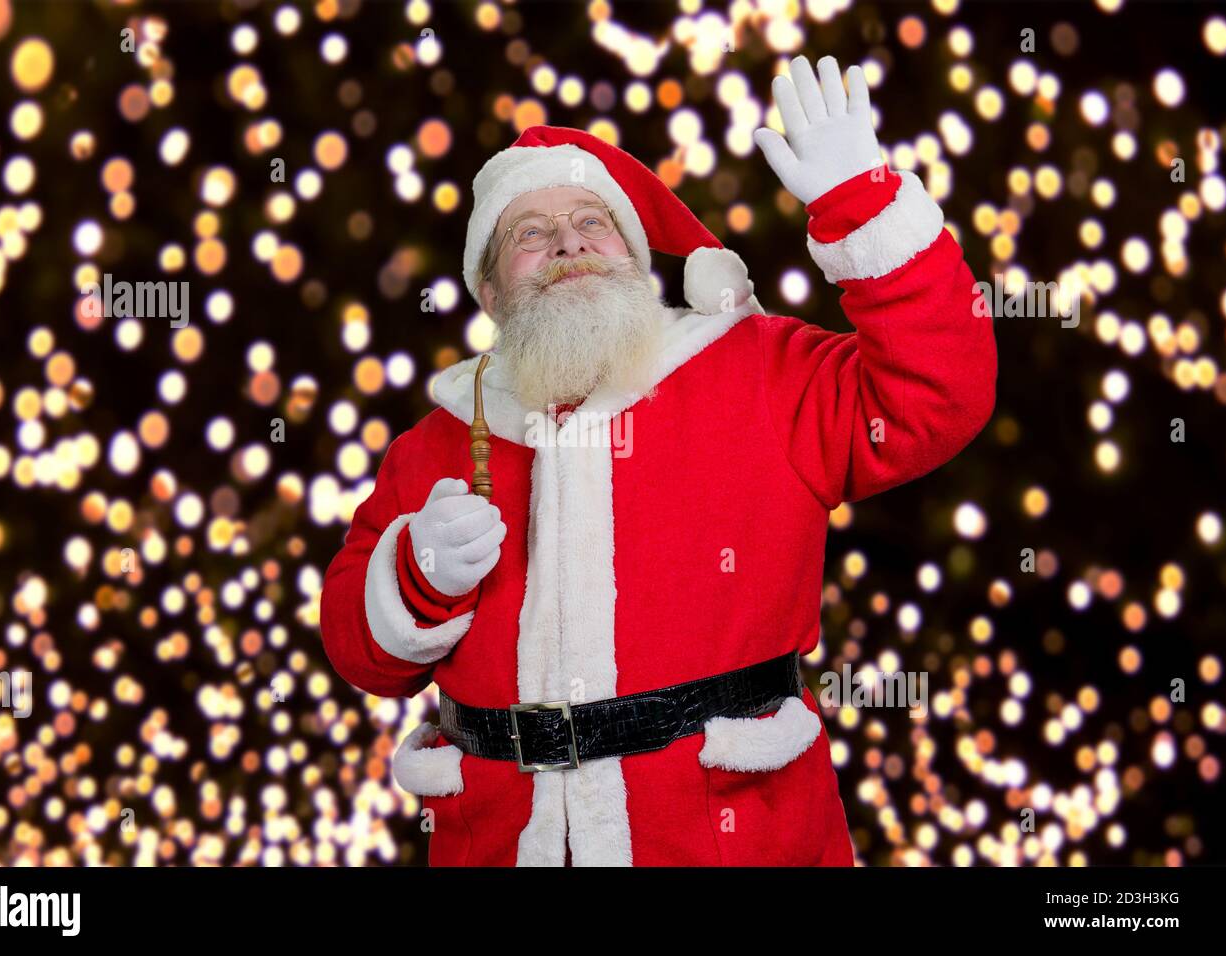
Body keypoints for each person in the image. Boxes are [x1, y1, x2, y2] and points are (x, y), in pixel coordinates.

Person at [319, 55, 997, 866]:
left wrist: (864, 205)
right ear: (491, 293)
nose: (568, 241)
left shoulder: (760, 371)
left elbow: (940, 393)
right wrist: (413, 577)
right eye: (530, 234)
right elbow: (359, 651)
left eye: (593, 221)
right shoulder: (435, 443)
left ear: (637, 261)